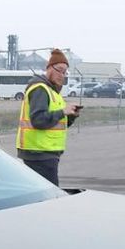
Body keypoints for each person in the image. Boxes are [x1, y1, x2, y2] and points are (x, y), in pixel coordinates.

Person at [16, 48, 81, 186]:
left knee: (43, 195)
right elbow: (38, 120)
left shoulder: (53, 92)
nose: (62, 75)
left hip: (47, 152)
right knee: (49, 197)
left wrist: (71, 116)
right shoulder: (40, 89)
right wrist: (63, 112)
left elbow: (56, 123)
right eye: (59, 70)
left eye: (65, 72)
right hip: (38, 153)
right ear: (49, 68)